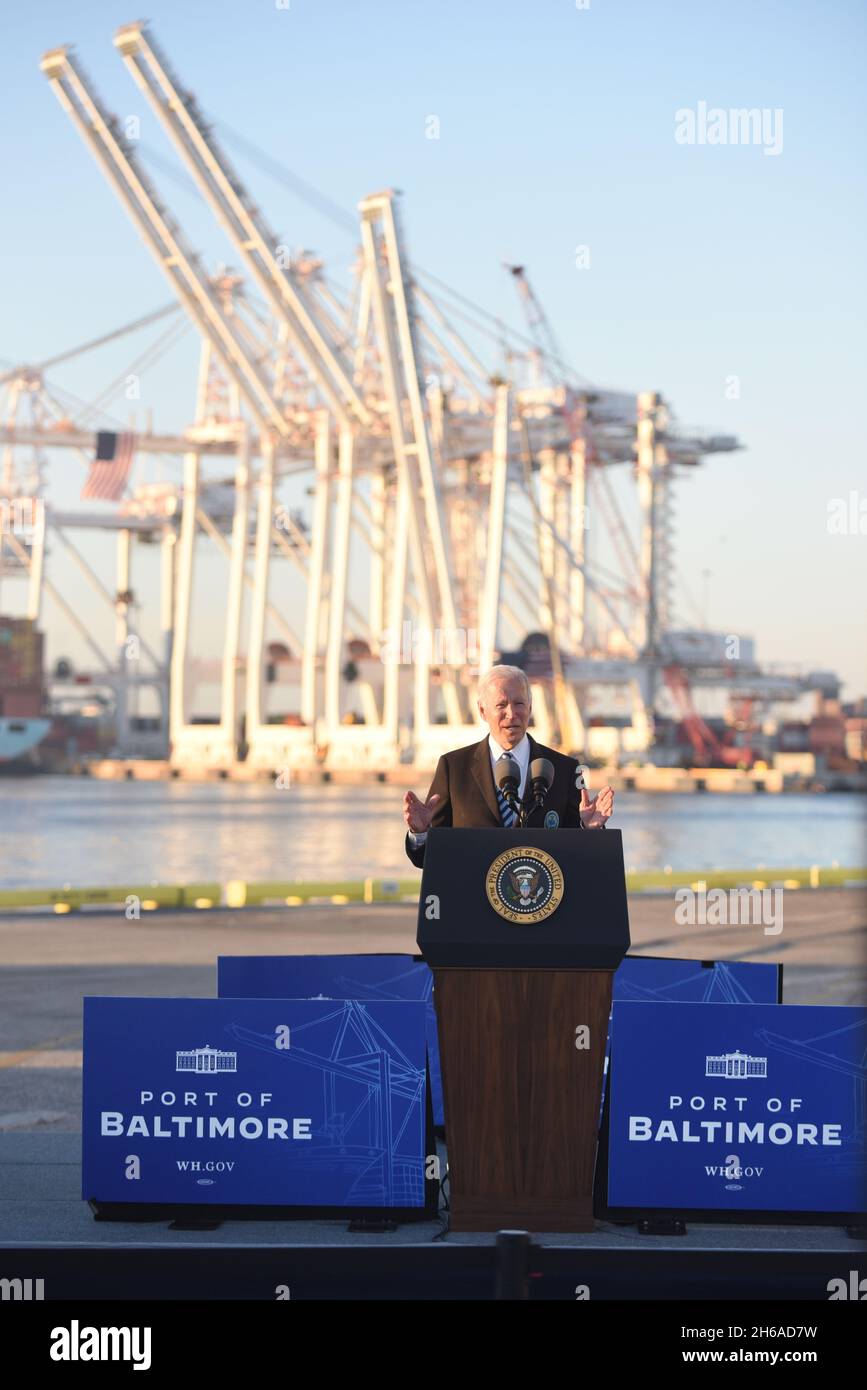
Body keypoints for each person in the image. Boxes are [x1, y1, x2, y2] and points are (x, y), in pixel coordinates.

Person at [403, 664, 615, 869]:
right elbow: (428, 858)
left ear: (530, 708)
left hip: (541, 901)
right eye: (501, 705)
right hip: (471, 901)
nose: (512, 713)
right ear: (482, 711)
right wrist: (420, 833)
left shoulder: (564, 768)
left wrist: (589, 828)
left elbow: (579, 853)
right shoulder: (454, 768)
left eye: (519, 703)